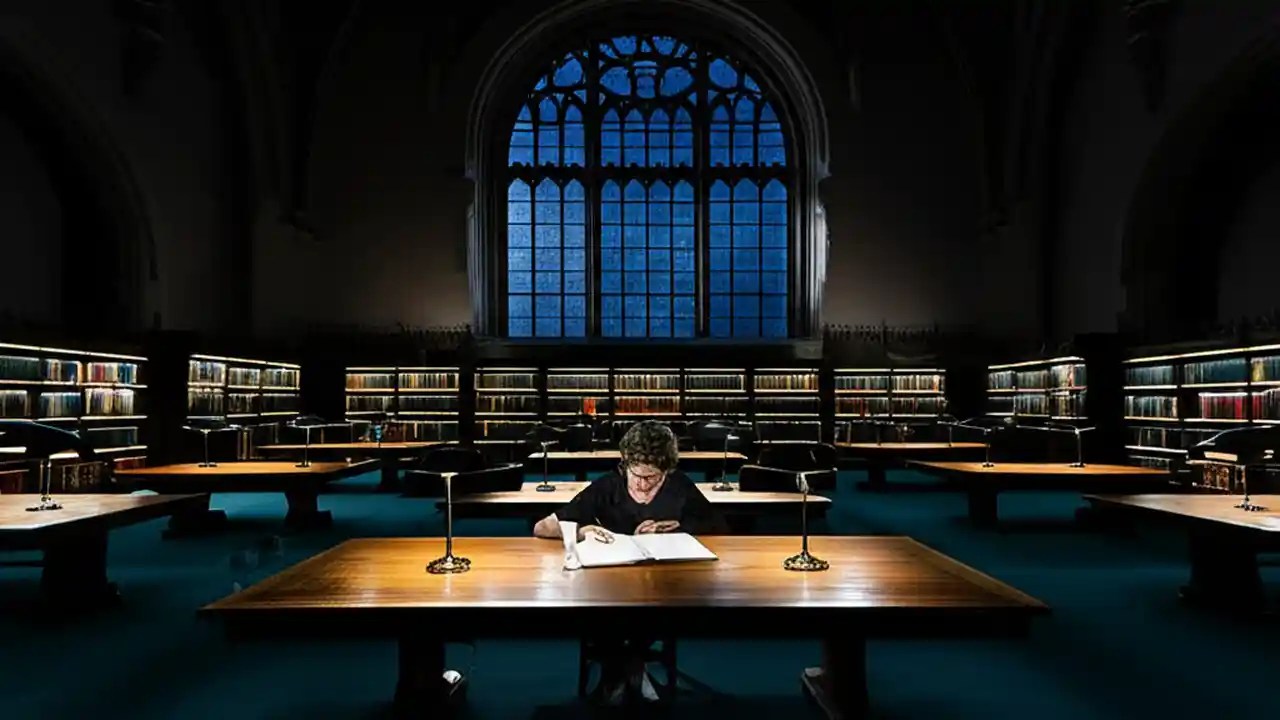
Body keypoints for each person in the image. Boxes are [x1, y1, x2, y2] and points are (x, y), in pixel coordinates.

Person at [532, 420, 727, 704]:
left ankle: (617, 674)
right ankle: (633, 666)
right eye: (637, 476)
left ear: (667, 471)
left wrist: (682, 527)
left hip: (662, 589)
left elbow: (720, 530)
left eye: (653, 478)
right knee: (601, 608)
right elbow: (542, 527)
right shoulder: (608, 486)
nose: (643, 484)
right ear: (625, 464)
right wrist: (584, 530)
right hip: (609, 588)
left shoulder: (680, 487)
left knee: (659, 605)